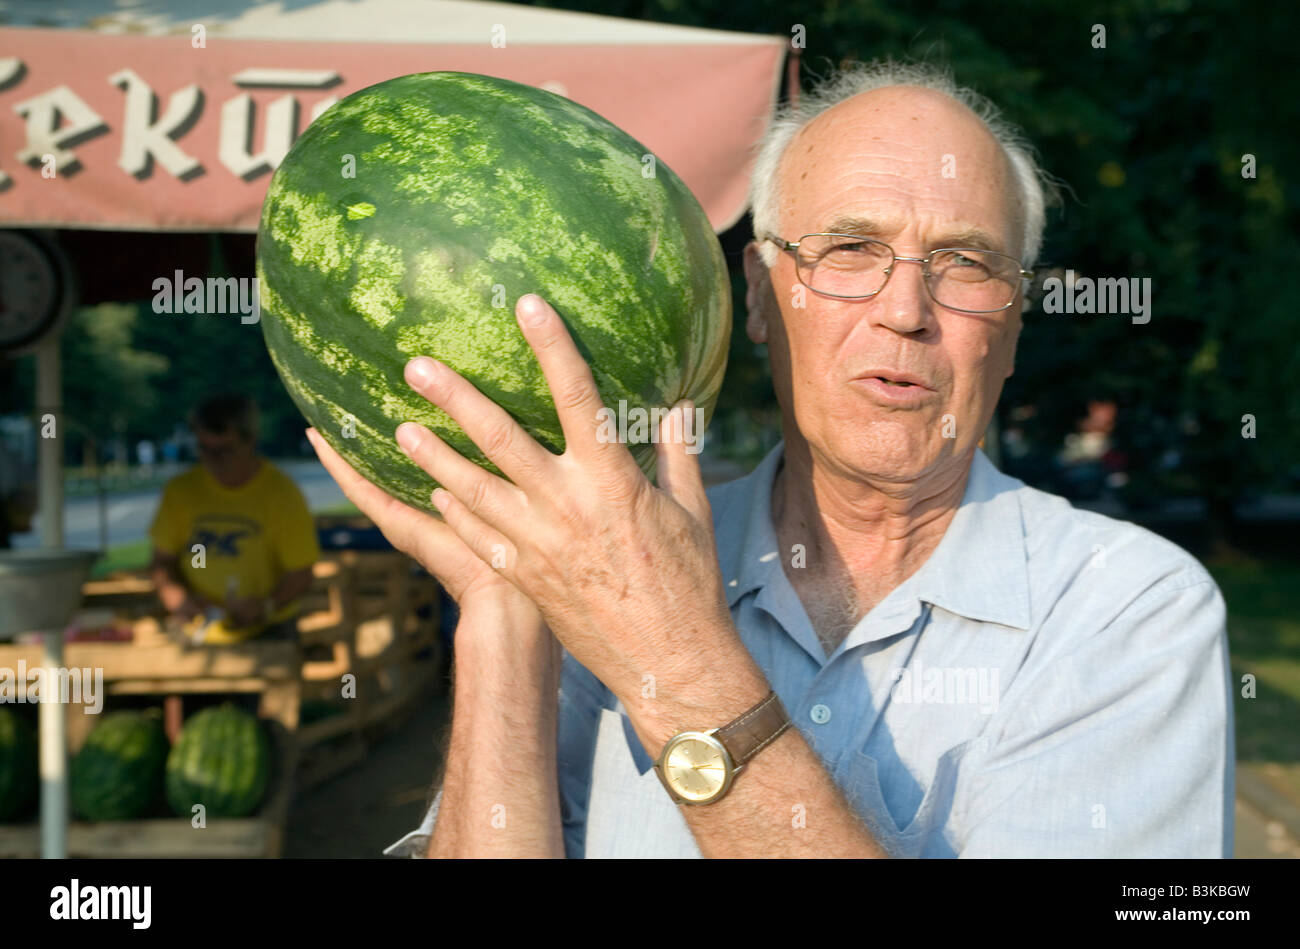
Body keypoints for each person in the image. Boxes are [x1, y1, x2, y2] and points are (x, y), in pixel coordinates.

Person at [313, 60, 1233, 858]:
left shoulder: (1131, 613)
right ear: (757, 295)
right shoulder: (585, 570)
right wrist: (510, 608)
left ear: (1015, 323)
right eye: (850, 249)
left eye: (963, 262)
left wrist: (671, 649)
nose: (906, 309)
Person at [148, 394, 319, 644]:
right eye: (205, 449)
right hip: (197, 624)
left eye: (224, 450)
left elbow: (301, 572)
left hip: (267, 627)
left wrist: (265, 605)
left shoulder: (281, 493)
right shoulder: (181, 490)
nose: (213, 460)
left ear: (250, 441)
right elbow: (162, 561)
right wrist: (175, 597)